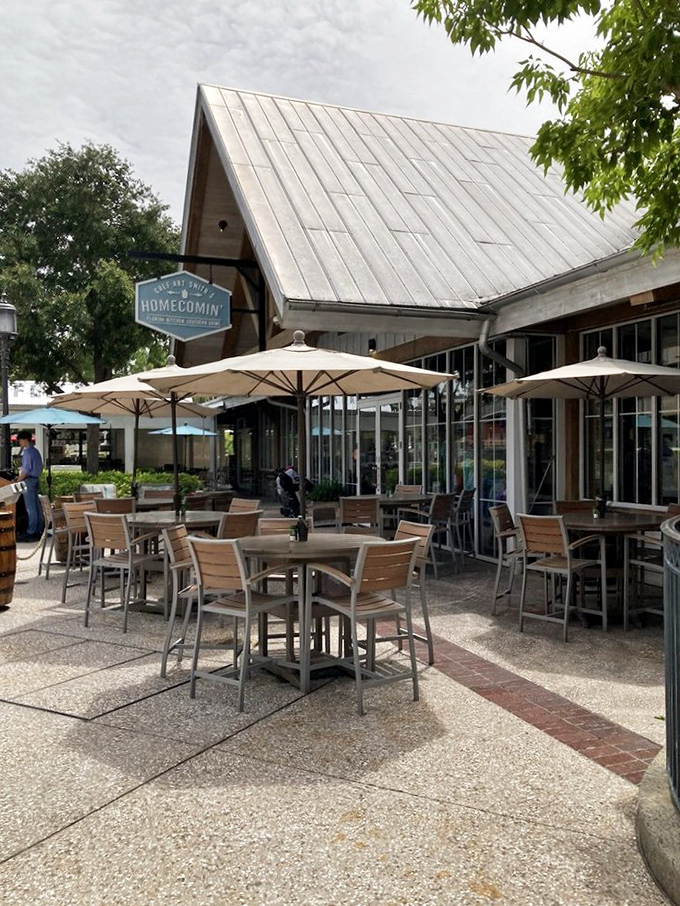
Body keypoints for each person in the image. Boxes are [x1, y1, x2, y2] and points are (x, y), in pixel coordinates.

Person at [17, 430, 44, 541]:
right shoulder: (36, 451)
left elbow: (26, 470)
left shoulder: (27, 452)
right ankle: (38, 529)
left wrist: (18, 480)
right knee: (37, 507)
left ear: (25, 440)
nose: (20, 444)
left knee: (30, 507)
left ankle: (31, 531)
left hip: (28, 480)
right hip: (36, 479)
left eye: (20, 441)